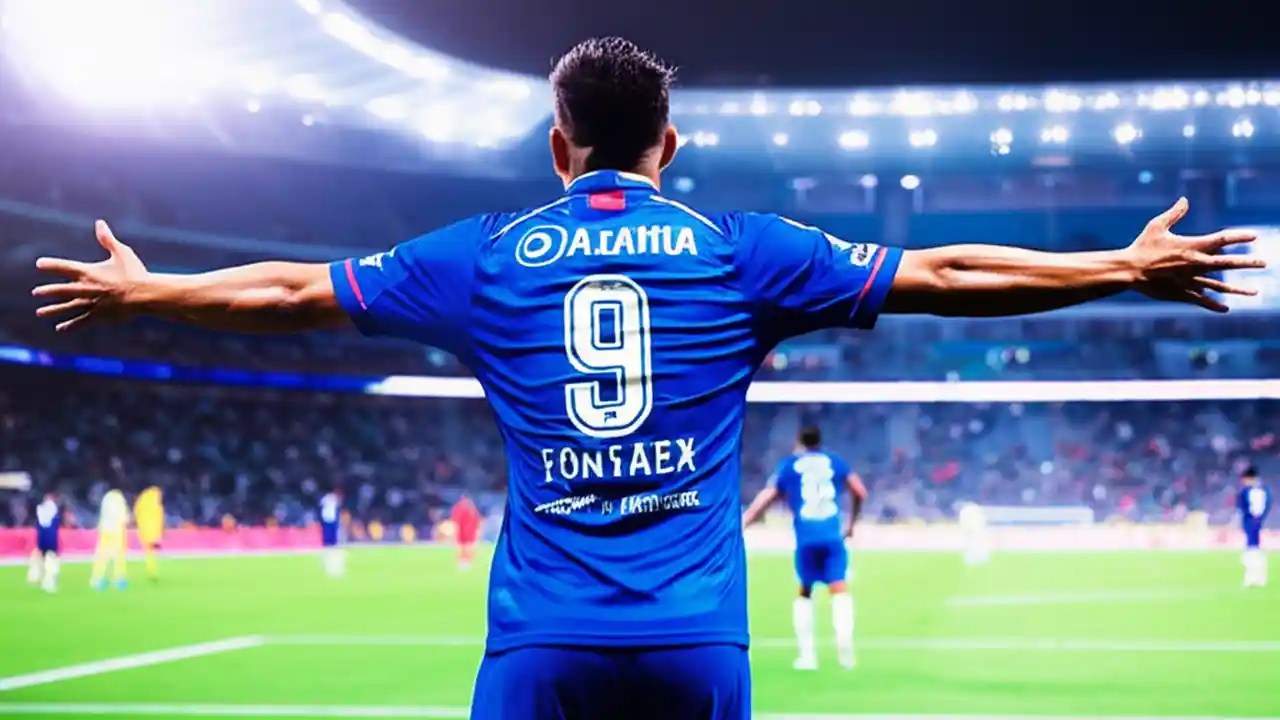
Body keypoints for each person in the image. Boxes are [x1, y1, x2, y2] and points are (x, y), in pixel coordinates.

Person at [31, 36, 1265, 720]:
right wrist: (1117, 264)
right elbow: (943, 273)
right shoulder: (741, 252)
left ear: (556, 145)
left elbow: (293, 294)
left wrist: (147, 292)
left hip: (539, 651)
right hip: (694, 650)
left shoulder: (481, 259)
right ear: (668, 146)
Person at [742, 426, 866, 670]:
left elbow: (766, 499)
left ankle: (807, 656)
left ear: (798, 442)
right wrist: (852, 524)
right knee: (839, 588)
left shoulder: (790, 465)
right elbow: (860, 491)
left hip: (806, 536)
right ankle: (845, 651)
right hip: (832, 535)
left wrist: (743, 523)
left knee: (804, 591)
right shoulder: (835, 461)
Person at [1238, 466, 1272, 588]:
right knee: (1253, 548)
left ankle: (1253, 577)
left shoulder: (1255, 490)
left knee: (1252, 549)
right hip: (1253, 521)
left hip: (1254, 521)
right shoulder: (1254, 490)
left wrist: (1257, 518)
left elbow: (1264, 505)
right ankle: (1256, 577)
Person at [90, 487, 129, 591]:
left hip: (105, 530)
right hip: (116, 531)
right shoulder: (119, 498)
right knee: (118, 556)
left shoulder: (106, 498)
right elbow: (123, 517)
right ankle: (119, 579)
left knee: (102, 555)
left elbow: (103, 515)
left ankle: (97, 579)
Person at [27, 491, 62, 593]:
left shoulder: (40, 508)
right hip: (51, 537)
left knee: (40, 557)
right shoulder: (53, 508)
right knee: (52, 558)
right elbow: (56, 522)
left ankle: (34, 577)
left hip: (41, 536)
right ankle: (49, 582)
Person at [133, 485, 165, 582]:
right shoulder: (156, 503)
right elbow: (159, 518)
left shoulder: (142, 500)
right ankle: (152, 572)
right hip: (153, 531)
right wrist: (160, 532)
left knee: (148, 552)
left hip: (143, 530)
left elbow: (136, 513)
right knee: (152, 552)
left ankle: (151, 571)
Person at [319, 488, 345, 578]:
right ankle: (330, 554)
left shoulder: (328, 498)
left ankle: (330, 553)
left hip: (330, 520)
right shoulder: (330, 498)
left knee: (330, 539)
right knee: (330, 539)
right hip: (329, 520)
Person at [451, 493, 481, 571]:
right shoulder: (472, 508)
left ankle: (462, 562)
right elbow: (477, 520)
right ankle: (467, 562)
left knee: (462, 546)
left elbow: (456, 520)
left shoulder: (458, 507)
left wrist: (455, 530)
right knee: (468, 546)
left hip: (463, 530)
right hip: (470, 530)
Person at [957, 501, 991, 566]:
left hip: (974, 531)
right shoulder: (973, 511)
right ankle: (978, 559)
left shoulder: (967, 511)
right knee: (975, 544)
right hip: (975, 531)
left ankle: (975, 559)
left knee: (974, 544)